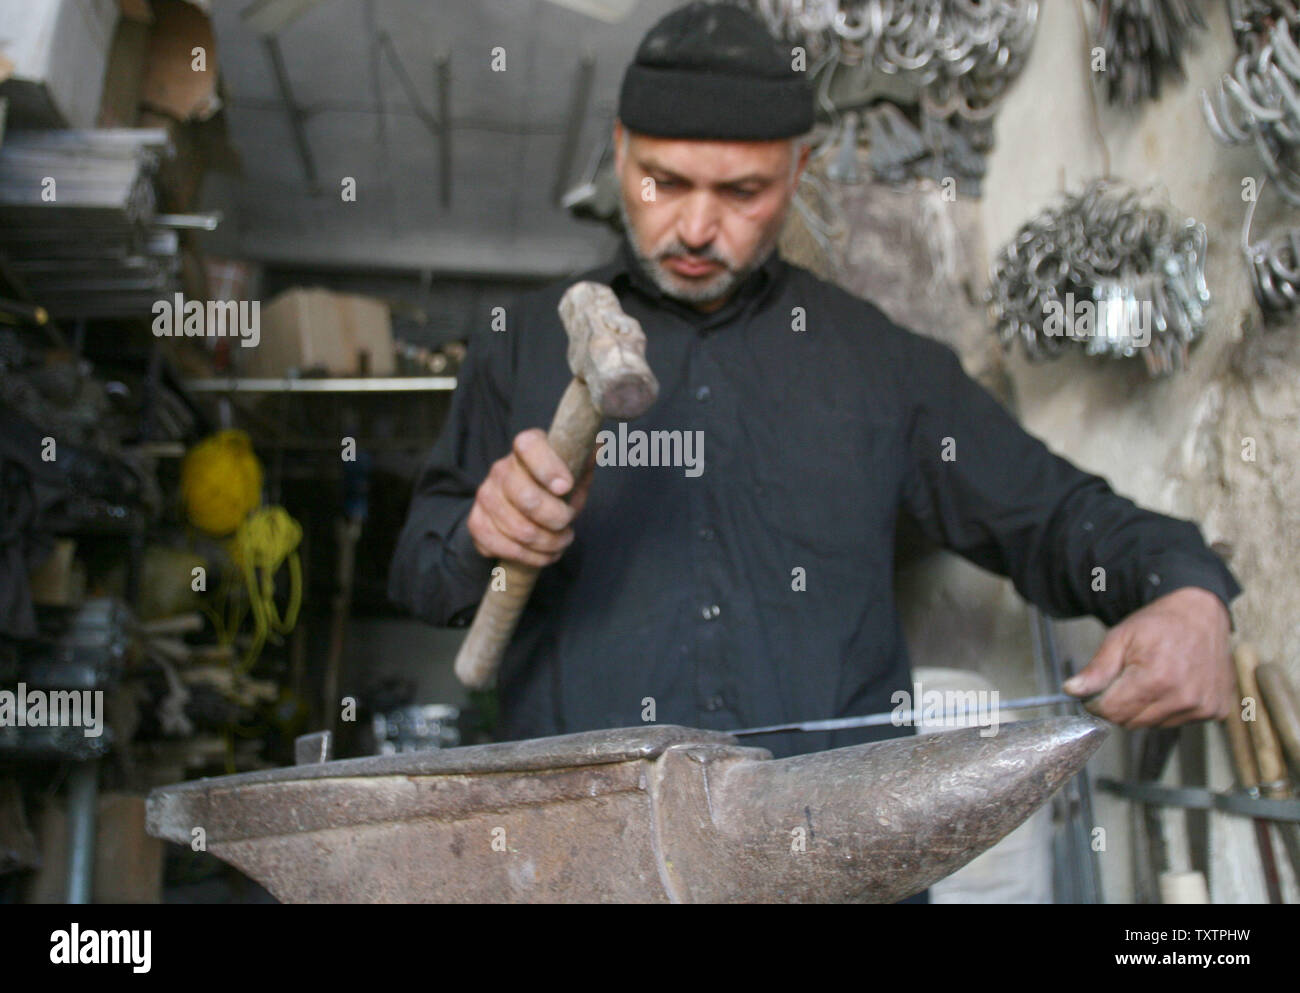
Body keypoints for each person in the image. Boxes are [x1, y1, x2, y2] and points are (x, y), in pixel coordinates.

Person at [390, 1, 1240, 763]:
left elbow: (1053, 516)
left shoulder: (882, 364)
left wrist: (1187, 590)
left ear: (799, 173)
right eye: (664, 181)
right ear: (619, 152)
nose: (694, 224)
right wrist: (479, 534)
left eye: (743, 191)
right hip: (589, 860)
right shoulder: (524, 346)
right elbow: (421, 580)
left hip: (839, 863)